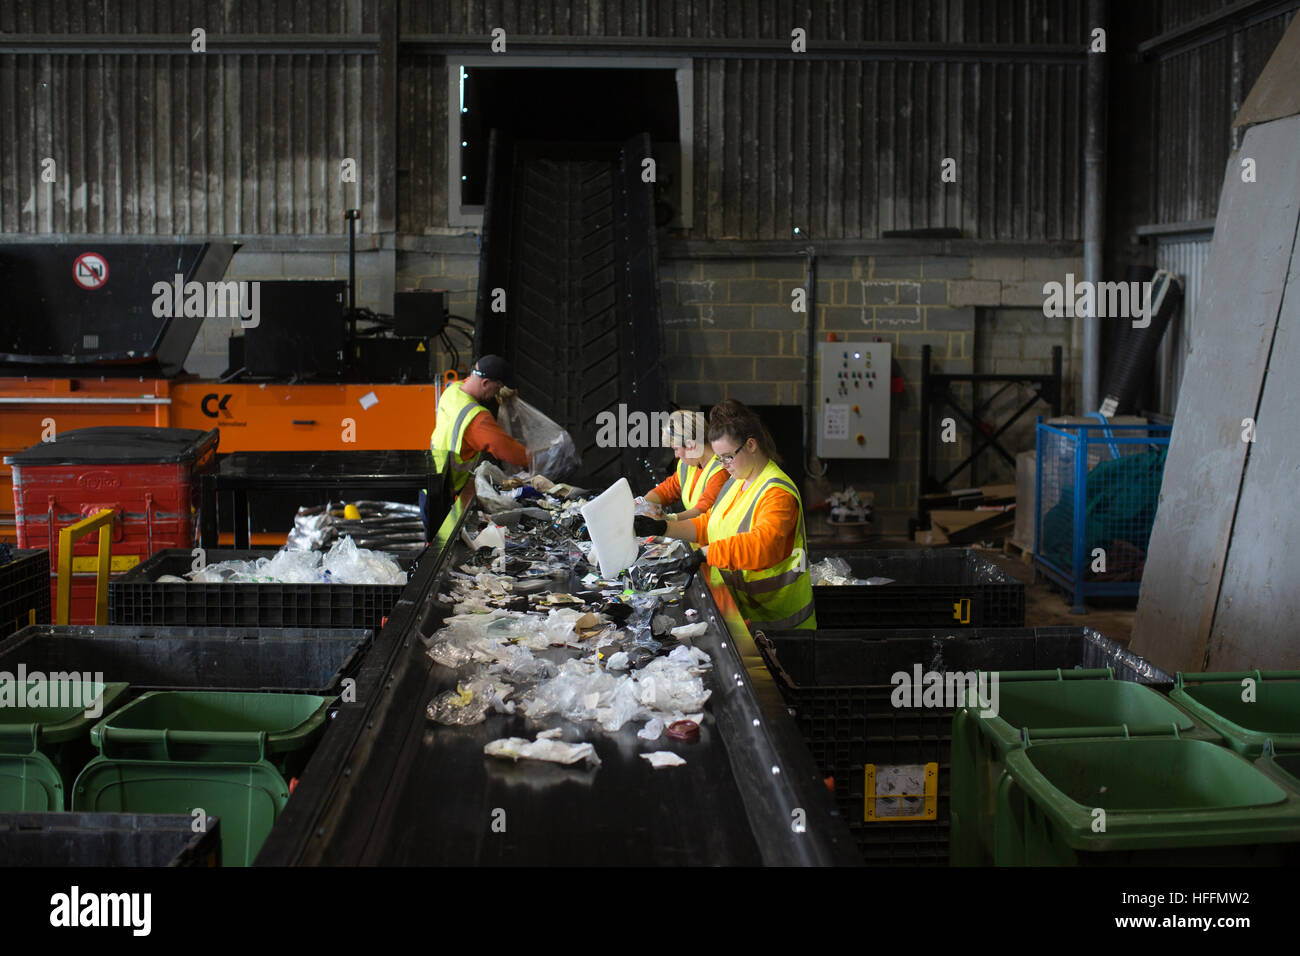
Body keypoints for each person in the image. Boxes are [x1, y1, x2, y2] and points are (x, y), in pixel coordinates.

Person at [634, 399, 816, 631]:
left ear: (751, 445)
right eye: (720, 459)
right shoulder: (736, 480)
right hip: (744, 610)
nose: (724, 465)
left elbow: (764, 544)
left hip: (780, 624)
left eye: (728, 457)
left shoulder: (777, 492)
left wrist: (706, 553)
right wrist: (664, 527)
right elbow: (710, 523)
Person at [429, 354, 529, 495]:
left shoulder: (452, 390)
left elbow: (469, 380)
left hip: (431, 478)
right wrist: (535, 460)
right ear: (485, 383)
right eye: (498, 387)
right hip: (448, 491)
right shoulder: (476, 417)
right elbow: (506, 448)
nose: (498, 392)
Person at [640, 410, 727, 525]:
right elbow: (668, 489)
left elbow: (703, 511)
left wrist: (667, 519)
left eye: (676, 449)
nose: (676, 455)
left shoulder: (721, 472)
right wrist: (642, 504)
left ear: (691, 445)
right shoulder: (689, 464)